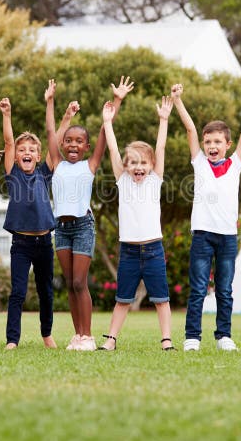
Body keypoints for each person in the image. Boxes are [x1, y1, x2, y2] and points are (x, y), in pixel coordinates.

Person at [171, 83, 241, 352]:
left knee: (225, 290)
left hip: (227, 236)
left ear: (227, 145)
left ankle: (223, 336)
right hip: (203, 234)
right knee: (199, 289)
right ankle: (192, 337)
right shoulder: (199, 163)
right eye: (208, 142)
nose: (212, 146)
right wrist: (178, 100)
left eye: (217, 142)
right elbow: (190, 129)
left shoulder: (236, 164)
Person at [45, 77, 134, 351]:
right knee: (69, 286)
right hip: (60, 229)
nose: (72, 145)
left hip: (83, 226)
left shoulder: (90, 165)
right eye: (68, 140)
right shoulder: (57, 163)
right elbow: (50, 132)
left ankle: (88, 335)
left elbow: (105, 135)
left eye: (78, 142)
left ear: (85, 147)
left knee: (79, 282)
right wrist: (49, 101)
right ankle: (77, 335)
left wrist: (116, 102)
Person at [97, 95, 175, 351]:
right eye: (134, 163)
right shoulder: (123, 180)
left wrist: (164, 120)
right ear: (126, 166)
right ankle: (110, 340)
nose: (139, 167)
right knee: (122, 299)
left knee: (161, 299)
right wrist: (108, 122)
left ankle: (166, 340)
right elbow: (112, 149)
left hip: (153, 249)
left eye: (144, 163)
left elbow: (160, 147)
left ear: (151, 165)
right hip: (129, 251)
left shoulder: (155, 180)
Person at [0, 95, 58, 350]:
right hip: (21, 244)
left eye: (31, 150)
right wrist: (6, 114)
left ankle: (47, 334)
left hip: (45, 242)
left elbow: (53, 137)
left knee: (46, 292)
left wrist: (55, 108)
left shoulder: (45, 173)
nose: (26, 153)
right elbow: (8, 141)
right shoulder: (12, 175)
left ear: (38, 155)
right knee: (18, 292)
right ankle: (12, 340)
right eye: (22, 150)